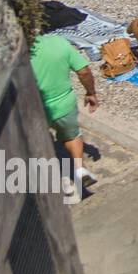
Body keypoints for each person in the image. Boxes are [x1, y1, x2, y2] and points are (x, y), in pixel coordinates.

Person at [29, 33, 97, 195]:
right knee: (71, 136)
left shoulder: (15, 55)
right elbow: (84, 72)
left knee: (38, 145)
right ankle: (80, 169)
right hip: (64, 104)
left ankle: (56, 181)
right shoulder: (58, 42)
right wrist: (91, 92)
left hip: (35, 110)